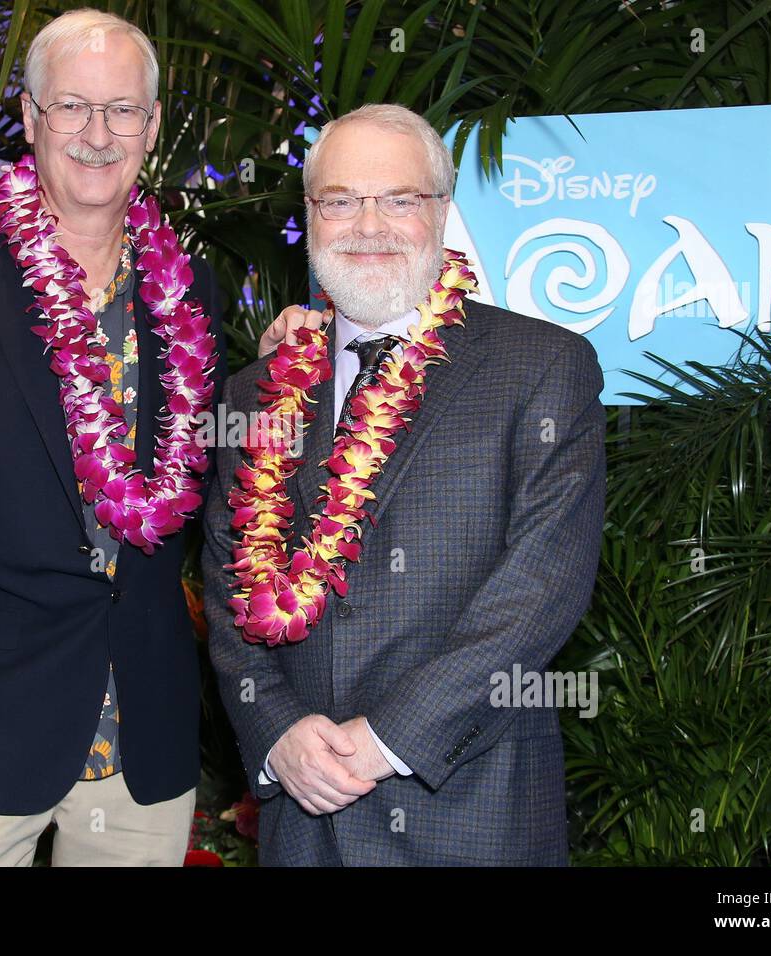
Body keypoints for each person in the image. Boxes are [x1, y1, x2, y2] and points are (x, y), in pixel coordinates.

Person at [0, 8, 249, 866]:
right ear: (29, 120)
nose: (98, 134)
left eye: (123, 110)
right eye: (71, 107)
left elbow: (222, 470)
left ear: (153, 126)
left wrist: (301, 355)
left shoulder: (192, 291)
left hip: (144, 731)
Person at [201, 103, 607, 865]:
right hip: (302, 819)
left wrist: (390, 739)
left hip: (470, 810)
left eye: (399, 198)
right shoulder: (252, 395)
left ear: (443, 210)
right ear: (313, 214)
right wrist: (277, 732)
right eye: (342, 199)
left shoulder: (544, 367)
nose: (369, 224)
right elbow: (228, 589)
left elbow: (541, 588)